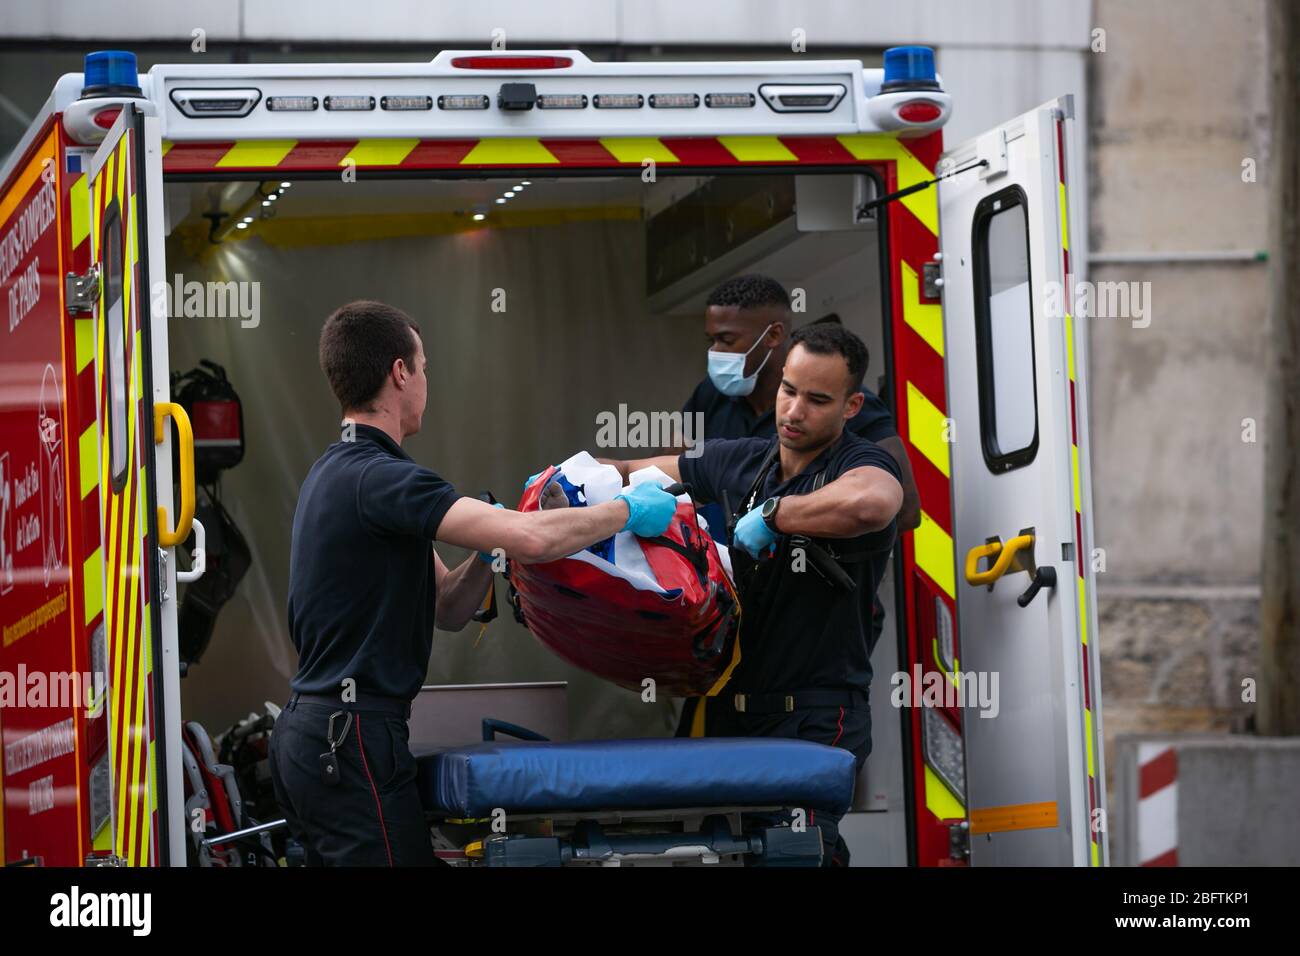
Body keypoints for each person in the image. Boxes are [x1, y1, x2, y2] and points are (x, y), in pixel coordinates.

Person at [269, 300, 679, 866]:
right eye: (425, 366)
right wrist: (626, 511)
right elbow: (533, 540)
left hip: (320, 736)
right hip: (351, 739)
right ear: (400, 373)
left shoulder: (336, 471)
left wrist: (491, 549)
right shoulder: (385, 478)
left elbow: (447, 607)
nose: (426, 380)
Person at [606, 323, 903, 866]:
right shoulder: (740, 459)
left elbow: (875, 503)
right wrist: (575, 482)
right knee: (733, 857)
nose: (794, 411)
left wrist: (774, 515)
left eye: (817, 400)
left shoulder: (859, 464)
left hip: (816, 713)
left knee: (796, 854)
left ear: (852, 405)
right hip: (732, 713)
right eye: (789, 391)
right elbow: (628, 468)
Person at [675, 275, 920, 740]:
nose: (717, 353)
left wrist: (779, 514)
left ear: (772, 337)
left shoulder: (858, 419)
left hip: (815, 615)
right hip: (734, 616)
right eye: (712, 340)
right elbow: (680, 471)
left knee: (810, 727)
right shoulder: (713, 398)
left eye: (727, 340)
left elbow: (899, 507)